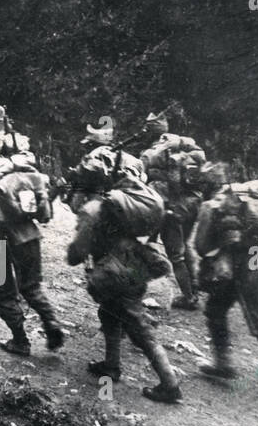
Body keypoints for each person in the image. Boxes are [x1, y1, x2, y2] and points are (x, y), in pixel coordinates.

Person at [66, 146, 180, 403]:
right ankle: (111, 364)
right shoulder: (125, 199)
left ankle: (170, 384)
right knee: (109, 313)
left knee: (137, 327)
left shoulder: (95, 208)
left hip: (115, 270)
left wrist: (74, 254)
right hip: (135, 263)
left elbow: (78, 251)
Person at [193, 171, 258, 405]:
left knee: (217, 311)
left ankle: (226, 363)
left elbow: (201, 246)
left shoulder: (213, 205)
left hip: (234, 267)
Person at [0, 128, 65, 355]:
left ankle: (20, 341)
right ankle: (52, 324)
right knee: (31, 286)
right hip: (29, 236)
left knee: (4, 291)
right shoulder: (22, 171)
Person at [138, 112, 207, 310]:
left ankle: (189, 298)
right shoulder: (183, 144)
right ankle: (193, 288)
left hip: (171, 209)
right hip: (193, 203)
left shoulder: (151, 153)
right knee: (184, 246)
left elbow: (139, 176)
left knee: (174, 254)